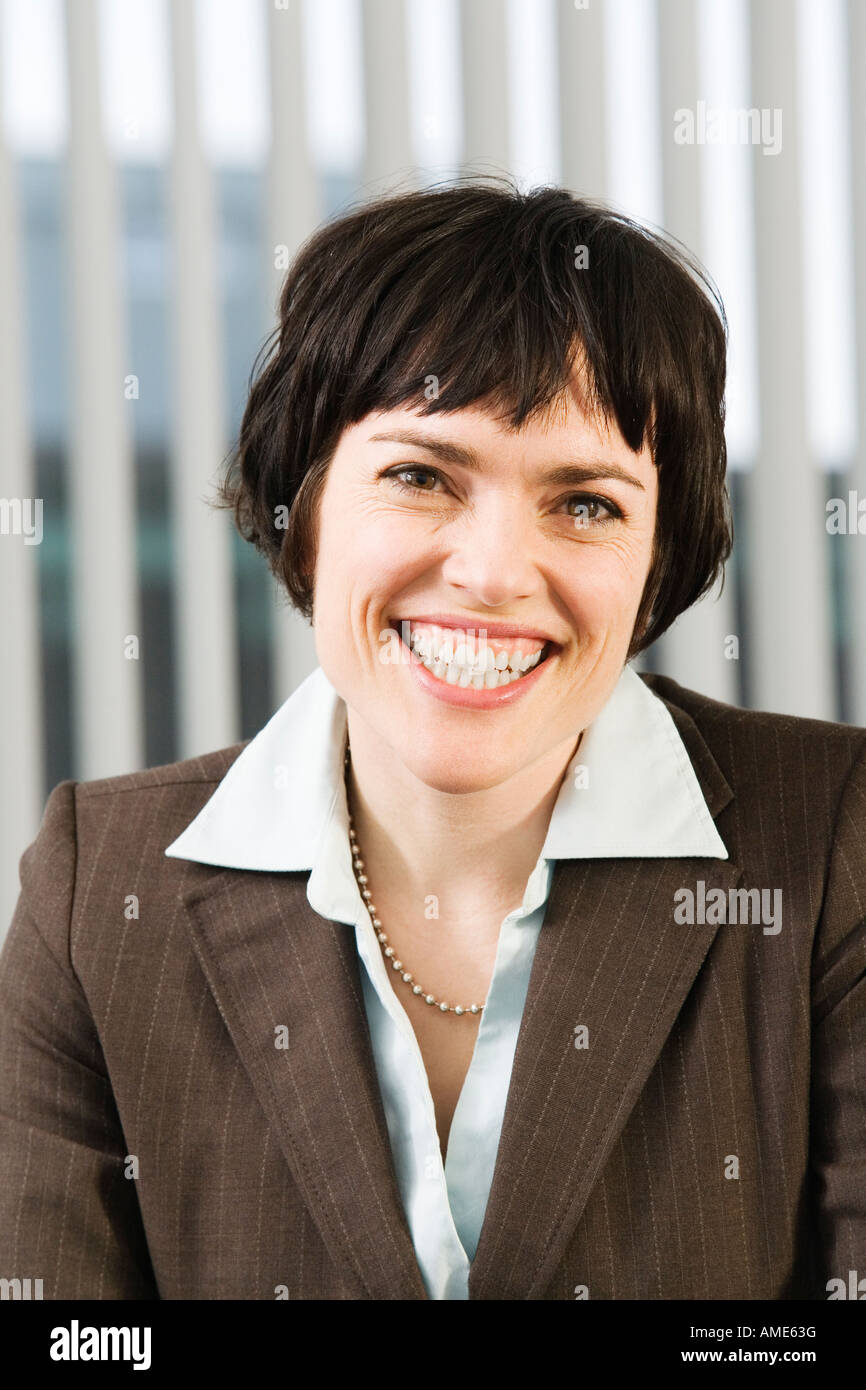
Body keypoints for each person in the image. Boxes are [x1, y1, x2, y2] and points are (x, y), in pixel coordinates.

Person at [1, 178, 864, 1301]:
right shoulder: (97, 885)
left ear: (661, 554)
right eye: (418, 475)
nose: (496, 572)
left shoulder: (835, 839)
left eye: (586, 502)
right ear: (301, 505)